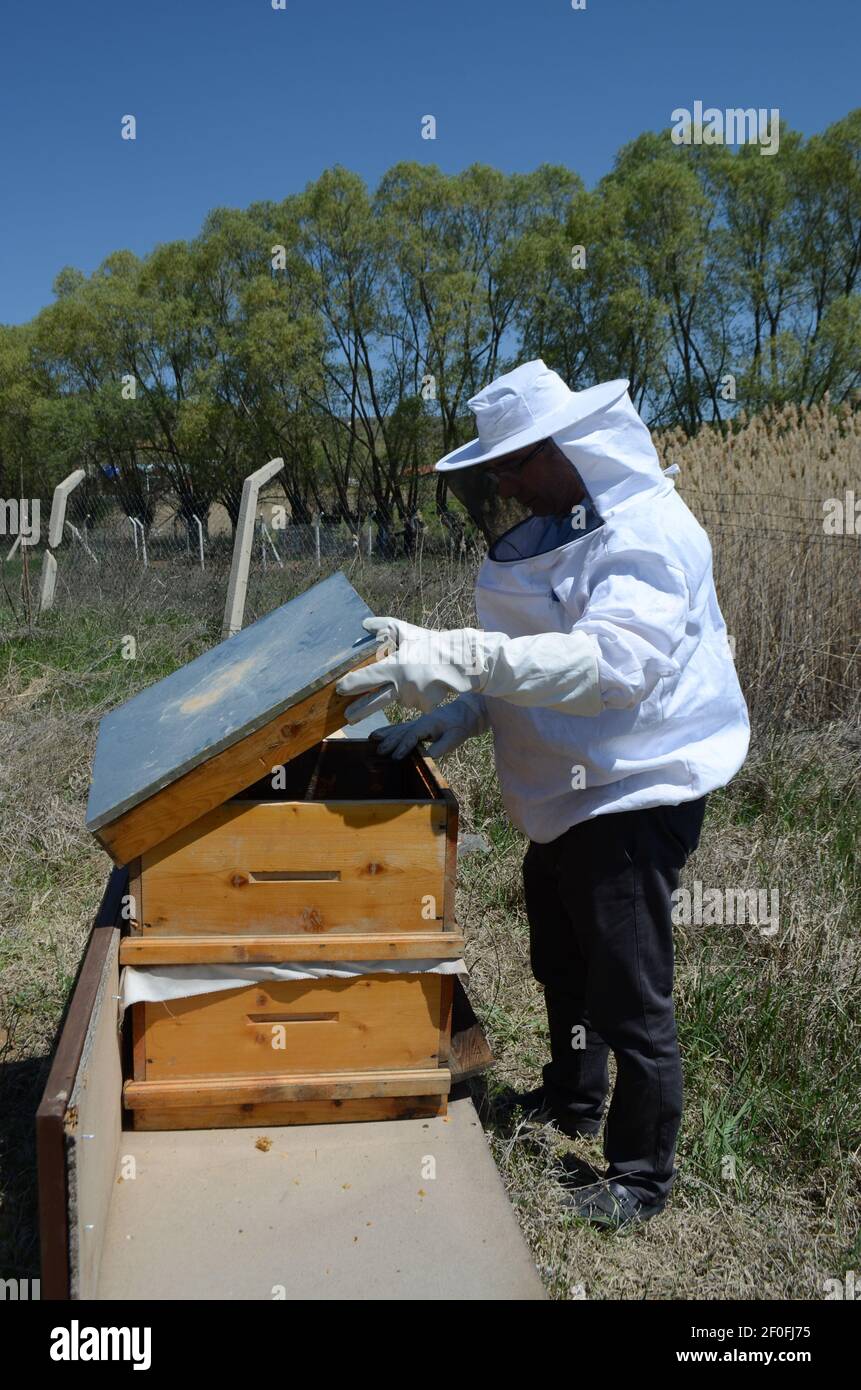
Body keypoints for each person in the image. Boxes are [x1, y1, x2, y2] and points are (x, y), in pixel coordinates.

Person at [336, 360, 750, 1229]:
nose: (505, 481)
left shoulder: (648, 534)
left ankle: (639, 1176)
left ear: (569, 446)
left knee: (628, 987)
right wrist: (457, 713)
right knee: (560, 958)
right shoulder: (560, 530)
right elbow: (529, 657)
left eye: (517, 461)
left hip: (635, 787)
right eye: (497, 467)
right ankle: (572, 1097)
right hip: (567, 787)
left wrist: (461, 658)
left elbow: (609, 666)